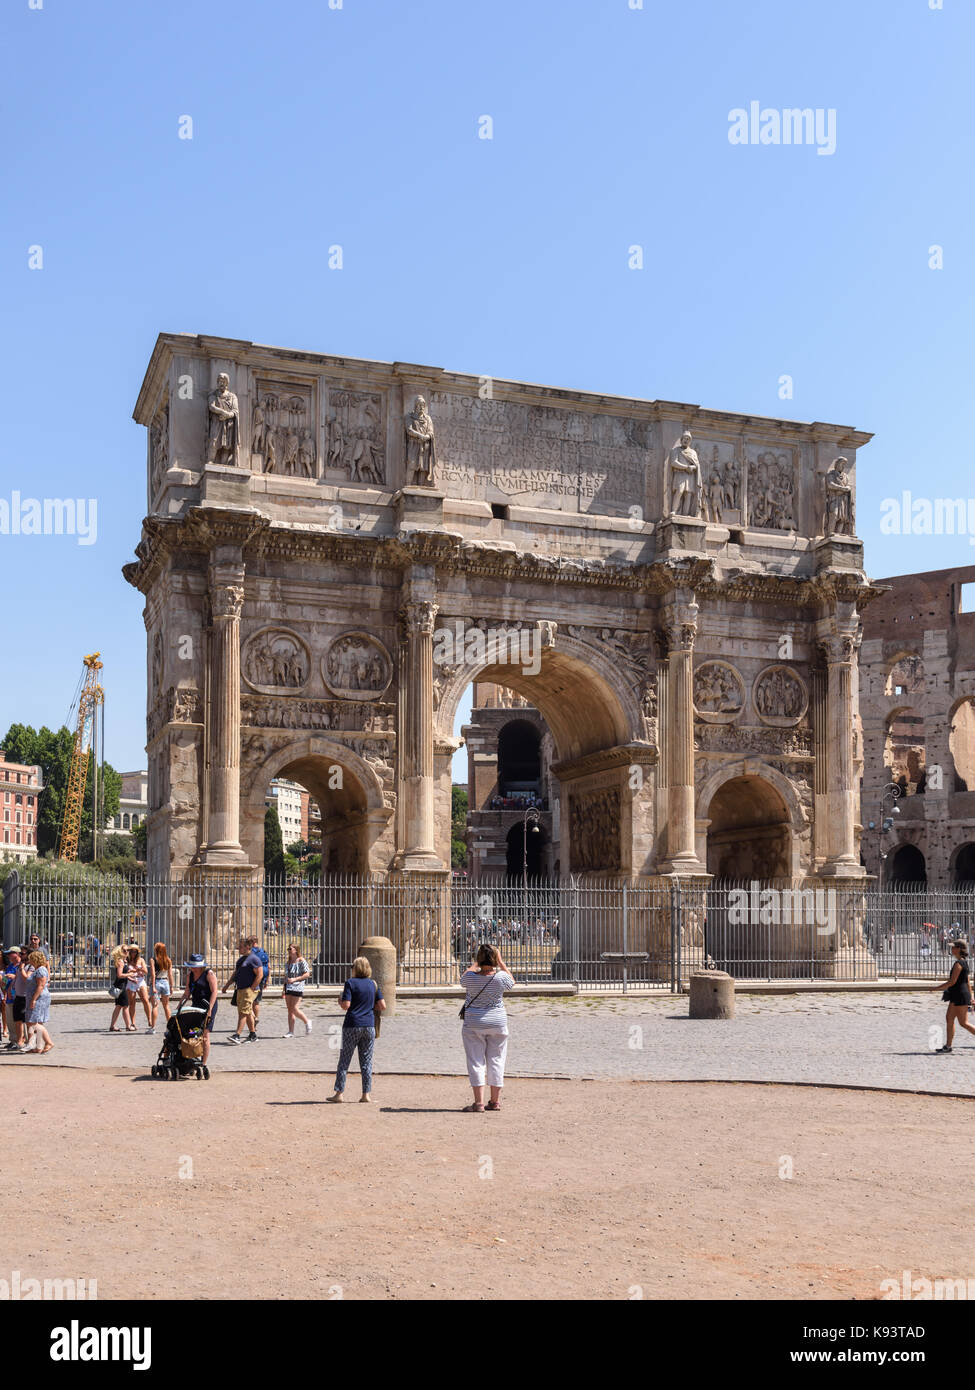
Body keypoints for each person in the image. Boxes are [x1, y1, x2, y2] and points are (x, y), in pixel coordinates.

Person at [459, 944, 515, 1112]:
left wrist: (476, 964)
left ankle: (478, 1103)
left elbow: (463, 978)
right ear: (494, 959)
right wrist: (501, 961)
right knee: (497, 1060)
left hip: (474, 1021)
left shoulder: (471, 978)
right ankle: (495, 1101)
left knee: (476, 1061)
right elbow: (512, 981)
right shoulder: (500, 977)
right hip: (497, 1021)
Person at [326, 957, 385, 1103]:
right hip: (369, 1025)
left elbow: (346, 1005)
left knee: (344, 1060)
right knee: (366, 1061)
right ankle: (366, 1094)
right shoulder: (373, 984)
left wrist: (340, 1001)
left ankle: (339, 1093)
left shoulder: (350, 983)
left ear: (355, 968)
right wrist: (369, 1006)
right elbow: (382, 1005)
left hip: (352, 1024)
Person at [935, 940, 975, 1053]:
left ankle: (948, 1046)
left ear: (959, 949)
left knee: (963, 1023)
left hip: (959, 995)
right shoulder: (963, 962)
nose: (951, 949)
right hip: (959, 995)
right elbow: (967, 982)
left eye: (953, 947)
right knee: (950, 1018)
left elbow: (952, 982)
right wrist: (971, 997)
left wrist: (936, 988)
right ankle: (948, 1046)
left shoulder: (958, 964)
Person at [222, 937, 263, 1043]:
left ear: (248, 947)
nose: (238, 948)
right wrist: (227, 985)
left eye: (240, 946)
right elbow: (235, 974)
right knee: (248, 1012)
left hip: (249, 990)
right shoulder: (241, 960)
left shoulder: (254, 959)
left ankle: (237, 1035)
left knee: (243, 1013)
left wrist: (252, 988)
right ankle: (253, 1035)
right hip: (240, 989)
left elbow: (260, 974)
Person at [180, 953, 219, 1067]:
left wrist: (210, 1008)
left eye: (194, 966)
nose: (192, 968)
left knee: (205, 1035)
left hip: (208, 1005)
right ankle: (192, 1055)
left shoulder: (209, 974)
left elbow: (214, 992)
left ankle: (203, 1063)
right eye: (191, 966)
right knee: (193, 1031)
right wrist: (179, 1007)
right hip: (196, 1005)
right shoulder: (190, 975)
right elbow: (187, 993)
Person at [23, 950, 53, 1055]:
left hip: (39, 998)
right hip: (36, 998)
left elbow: (40, 986)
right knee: (36, 1021)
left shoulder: (41, 970)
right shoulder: (38, 969)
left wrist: (34, 1000)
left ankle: (48, 1042)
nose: (29, 961)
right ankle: (38, 1047)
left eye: (31, 959)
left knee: (33, 1022)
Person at [282, 942, 311, 1037]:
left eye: (290, 949)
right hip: (289, 987)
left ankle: (307, 1021)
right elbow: (286, 977)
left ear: (296, 950)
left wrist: (295, 979)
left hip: (298, 986)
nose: (289, 951)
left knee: (294, 1008)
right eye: (288, 949)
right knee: (290, 1010)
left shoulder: (301, 960)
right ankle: (291, 1031)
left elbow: (307, 974)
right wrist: (283, 988)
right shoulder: (288, 962)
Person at [125, 946, 154, 1032]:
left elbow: (146, 971)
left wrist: (139, 968)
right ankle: (133, 1022)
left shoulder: (141, 960)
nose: (133, 953)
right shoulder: (127, 960)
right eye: (132, 951)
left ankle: (149, 1019)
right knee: (132, 1003)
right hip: (131, 981)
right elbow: (125, 971)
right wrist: (133, 972)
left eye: (135, 952)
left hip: (140, 981)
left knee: (145, 1000)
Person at [109, 944, 135, 1032]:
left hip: (121, 985)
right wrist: (129, 974)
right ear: (120, 951)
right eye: (125, 950)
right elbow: (119, 975)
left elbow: (123, 973)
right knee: (125, 1006)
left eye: (128, 950)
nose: (127, 952)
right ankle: (128, 1026)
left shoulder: (124, 961)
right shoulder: (121, 962)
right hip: (121, 987)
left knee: (118, 1006)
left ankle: (112, 1026)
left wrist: (130, 977)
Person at [150, 943, 174, 1028]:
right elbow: (170, 974)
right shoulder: (168, 960)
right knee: (166, 1006)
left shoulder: (153, 960)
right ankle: (171, 1027)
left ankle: (152, 1027)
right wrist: (171, 986)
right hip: (165, 982)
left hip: (156, 982)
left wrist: (153, 986)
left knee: (155, 1005)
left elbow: (153, 974)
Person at [3, 948, 22, 1049]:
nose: (9, 956)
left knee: (18, 1020)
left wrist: (14, 976)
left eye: (11, 954)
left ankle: (20, 1039)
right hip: (9, 996)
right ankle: (13, 1039)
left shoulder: (21, 966)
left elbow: (25, 978)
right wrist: (4, 984)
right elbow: (5, 981)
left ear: (17, 954)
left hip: (18, 995)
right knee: (10, 1019)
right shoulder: (10, 966)